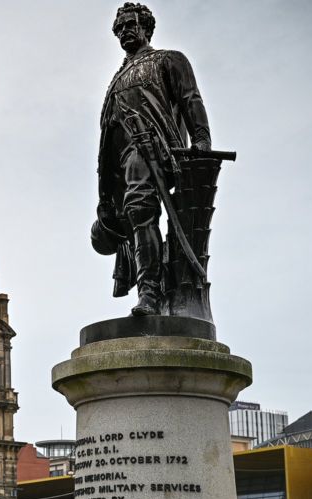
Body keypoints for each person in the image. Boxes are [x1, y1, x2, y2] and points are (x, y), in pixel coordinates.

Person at [95, 2, 212, 315]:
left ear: (146, 27)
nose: (124, 33)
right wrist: (105, 194)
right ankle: (153, 289)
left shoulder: (168, 60)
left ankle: (150, 294)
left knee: (141, 211)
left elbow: (190, 99)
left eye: (129, 25)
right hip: (121, 165)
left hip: (153, 149)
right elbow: (108, 133)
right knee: (132, 221)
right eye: (119, 29)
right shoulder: (117, 80)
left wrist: (201, 139)